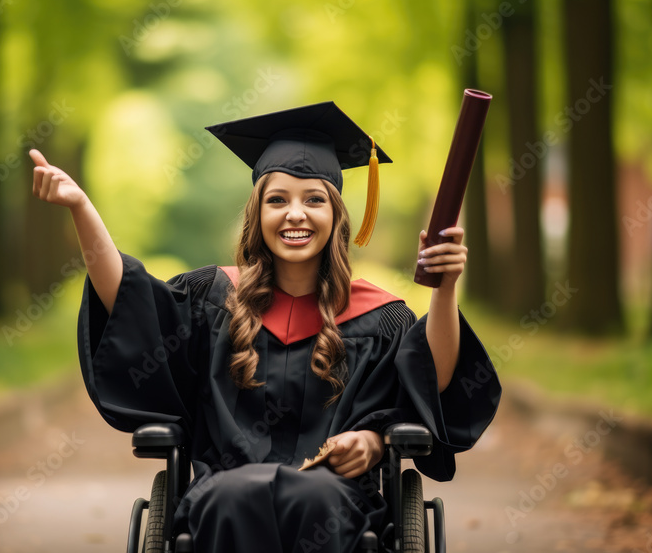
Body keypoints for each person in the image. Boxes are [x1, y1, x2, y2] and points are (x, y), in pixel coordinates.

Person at [29, 102, 501, 553]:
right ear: (258, 214)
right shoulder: (211, 298)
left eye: (314, 199)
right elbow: (130, 302)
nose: (295, 213)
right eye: (278, 199)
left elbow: (432, 381)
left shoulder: (380, 316)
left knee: (314, 498)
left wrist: (445, 288)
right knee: (235, 495)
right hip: (224, 490)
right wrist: (81, 208)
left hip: (336, 498)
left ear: (336, 216)